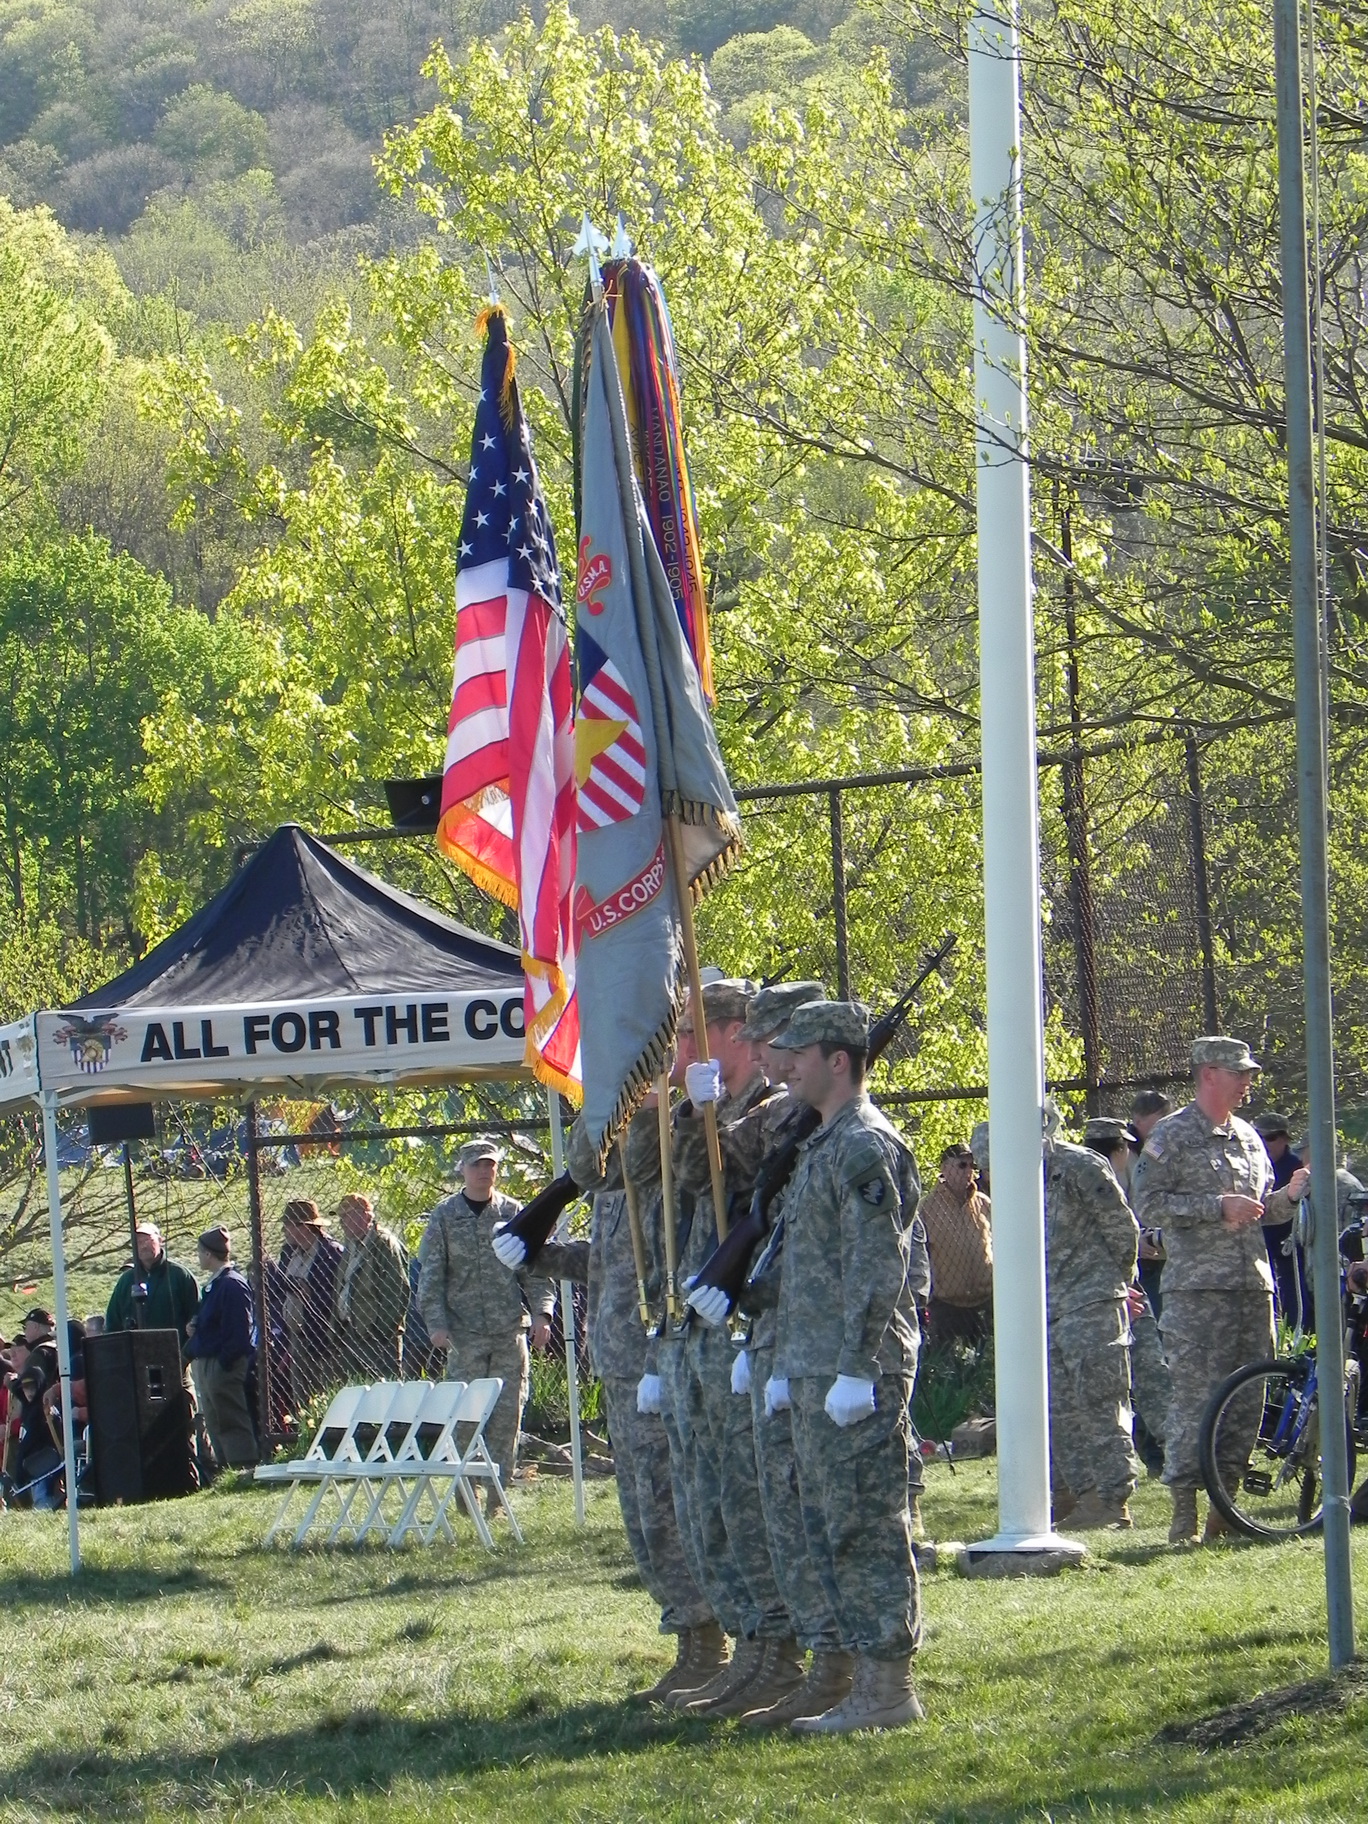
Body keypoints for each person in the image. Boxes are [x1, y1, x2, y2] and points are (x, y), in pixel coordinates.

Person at [507, 1107, 717, 1703]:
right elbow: (606, 1259)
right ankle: (688, 1637)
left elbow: (672, 1265)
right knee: (642, 1514)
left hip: (653, 1361)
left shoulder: (659, 1172)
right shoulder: (612, 1185)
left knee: (666, 1505)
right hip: (618, 1361)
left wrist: (657, 1359)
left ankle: (708, 1642)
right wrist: (536, 1253)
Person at [633, 979, 794, 1721]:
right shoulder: (710, 1107)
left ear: (733, 1032)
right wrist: (677, 1111)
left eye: (692, 1034)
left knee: (745, 1497)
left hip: (737, 1327)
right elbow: (661, 1177)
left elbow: (728, 1172)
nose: (680, 1050)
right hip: (690, 1327)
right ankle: (748, 1645)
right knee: (708, 1501)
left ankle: (777, 1651)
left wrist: (704, 1117)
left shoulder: (775, 1109)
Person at [770, 999, 925, 1734]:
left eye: (799, 1053)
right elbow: (808, 1269)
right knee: (830, 1525)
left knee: (866, 1525)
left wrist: (859, 1364)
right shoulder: (822, 1144)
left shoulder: (863, 1145)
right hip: (816, 1366)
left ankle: (888, 1687)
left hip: (853, 1370)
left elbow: (874, 1262)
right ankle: (858, 1678)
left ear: (838, 1060)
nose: (786, 1067)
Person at [729, 980, 854, 1729]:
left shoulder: (848, 1137)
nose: (770, 1056)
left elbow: (869, 1265)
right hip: (783, 1338)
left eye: (782, 1044)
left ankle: (840, 1668)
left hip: (823, 1348)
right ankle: (788, 1656)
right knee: (779, 1509)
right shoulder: (791, 1123)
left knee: (831, 1516)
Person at [1133, 1036, 1309, 1544]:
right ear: (1209, 1073)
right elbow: (1148, 1205)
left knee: (1248, 1400)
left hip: (1252, 1288)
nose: (1247, 1081)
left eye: (1249, 1073)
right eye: (1239, 1073)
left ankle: (1224, 1511)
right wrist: (1215, 1207)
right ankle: (1184, 1513)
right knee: (1197, 1401)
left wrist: (1290, 1196)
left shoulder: (1250, 1137)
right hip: (1197, 1293)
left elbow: (1262, 1210)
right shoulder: (1171, 1135)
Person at [416, 1139, 555, 1506]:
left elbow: (534, 1269)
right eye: (476, 1164)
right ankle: (467, 1491)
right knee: (465, 1416)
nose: (483, 1171)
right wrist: (436, 1324)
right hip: (464, 1335)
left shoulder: (513, 1212)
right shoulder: (445, 1216)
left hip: (509, 1331)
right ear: (462, 1169)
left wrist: (542, 1313)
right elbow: (431, 1276)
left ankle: (497, 1496)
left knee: (508, 1415)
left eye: (490, 1164)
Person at [1046, 1114, 1141, 1528]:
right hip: (1049, 1309)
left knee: (1102, 1402)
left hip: (1091, 1302)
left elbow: (1122, 1228)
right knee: (1061, 1408)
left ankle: (1113, 1499)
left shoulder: (1080, 1165)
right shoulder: (1020, 1175)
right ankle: (1083, 1496)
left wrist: (1115, 1284)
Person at [1083, 1116, 1170, 1477]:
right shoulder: (1106, 1182)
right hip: (1120, 1293)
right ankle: (1171, 1452)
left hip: (1078, 1303)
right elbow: (1122, 1238)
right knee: (1151, 1374)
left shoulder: (1063, 1179)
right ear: (1120, 1150)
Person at [184, 1226, 259, 1468]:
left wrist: (225, 1363)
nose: (198, 1256)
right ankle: (226, 1468)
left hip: (222, 1364)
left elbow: (239, 1330)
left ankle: (243, 1466)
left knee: (230, 1418)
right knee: (215, 1420)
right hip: (209, 1360)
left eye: (200, 1252)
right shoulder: (216, 1285)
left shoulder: (232, 1285)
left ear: (208, 1254)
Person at [918, 1142, 994, 1347]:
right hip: (946, 1305)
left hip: (985, 1302)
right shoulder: (926, 1208)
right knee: (946, 1361)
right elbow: (918, 1256)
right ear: (944, 1168)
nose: (968, 1171)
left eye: (972, 1166)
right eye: (961, 1165)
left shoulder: (984, 1203)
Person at [333, 1193, 410, 1380]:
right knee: (356, 1388)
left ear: (365, 1216)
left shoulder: (384, 1244)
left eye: (347, 1216)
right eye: (341, 1217)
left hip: (376, 1335)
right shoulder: (352, 1245)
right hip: (352, 1331)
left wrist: (380, 1332)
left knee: (384, 1388)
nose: (342, 1223)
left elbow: (397, 1290)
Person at [279, 1200, 343, 1415]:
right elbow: (279, 1285)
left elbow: (333, 1295)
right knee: (302, 1403)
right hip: (296, 1337)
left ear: (304, 1227)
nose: (284, 1231)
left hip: (323, 1338)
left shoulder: (330, 1253)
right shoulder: (288, 1252)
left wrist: (311, 1292)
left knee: (327, 1399)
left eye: (288, 1225)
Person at [1252, 1111, 1310, 1327]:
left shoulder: (1297, 1168)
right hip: (1258, 1245)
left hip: (1291, 1248)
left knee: (1295, 1301)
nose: (1264, 1143)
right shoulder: (1251, 1166)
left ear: (1285, 1138)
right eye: (1259, 1137)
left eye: (1270, 1137)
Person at [106, 1222, 200, 1350]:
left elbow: (196, 1317)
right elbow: (113, 1325)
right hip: (136, 1355)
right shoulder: (126, 1280)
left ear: (160, 1241)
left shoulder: (179, 1275)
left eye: (147, 1240)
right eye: (138, 1242)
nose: (143, 1246)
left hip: (175, 1354)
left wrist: (185, 1355)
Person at [1128, 1091, 1173, 1315]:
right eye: (1160, 1118)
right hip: (1137, 1253)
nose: (1166, 1125)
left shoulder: (1161, 1148)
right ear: (1138, 1120)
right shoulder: (1123, 1152)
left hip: (1164, 1248)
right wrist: (1135, 1238)